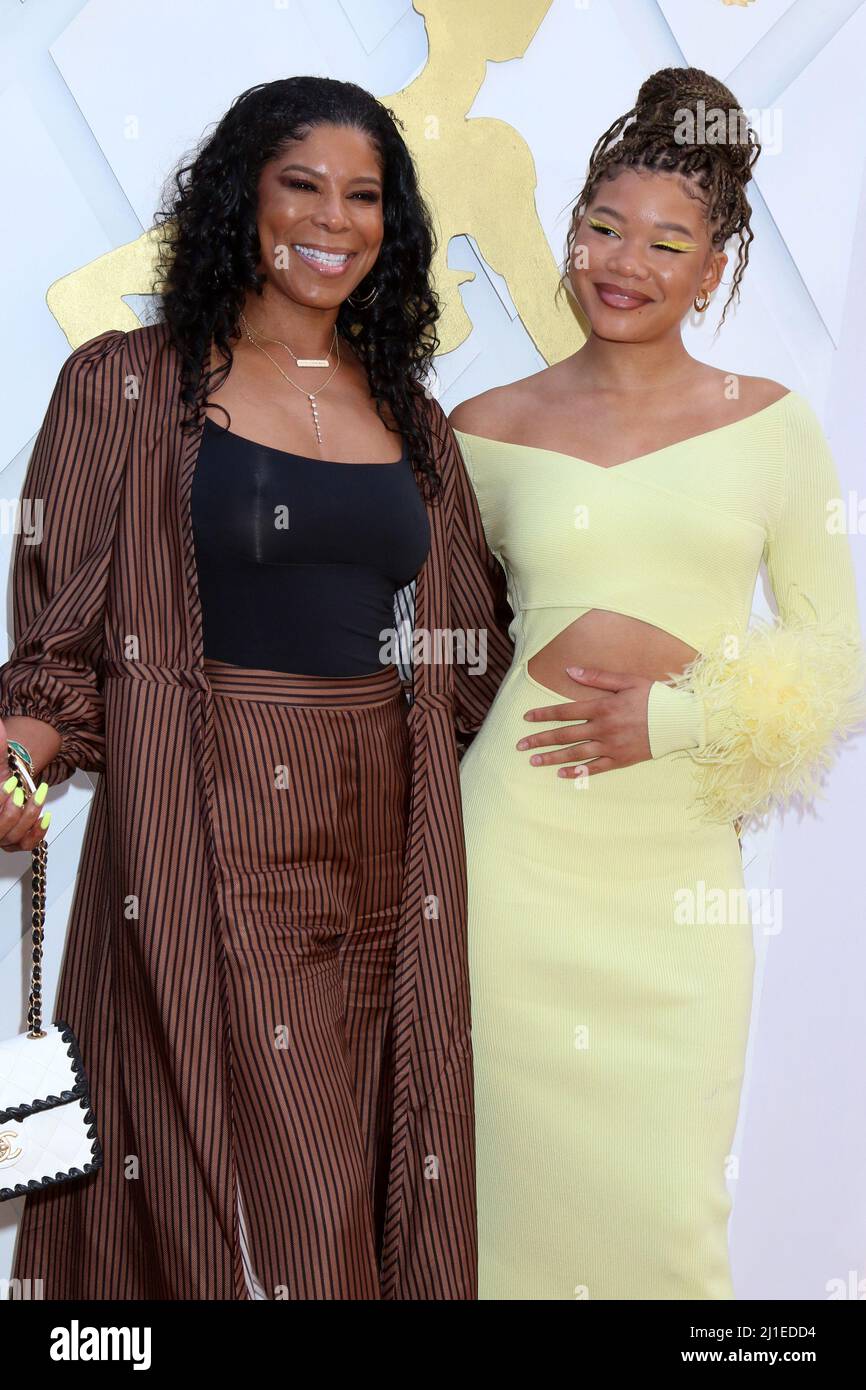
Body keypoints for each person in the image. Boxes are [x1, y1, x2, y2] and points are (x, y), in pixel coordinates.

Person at [0, 76, 513, 1300]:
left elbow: (462, 652)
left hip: (382, 835)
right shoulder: (123, 384)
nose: (333, 219)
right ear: (243, 197)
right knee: (235, 1189)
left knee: (349, 1171)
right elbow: (59, 640)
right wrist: (19, 752)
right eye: (302, 185)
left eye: (364, 196)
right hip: (202, 814)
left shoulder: (415, 422)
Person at [449, 66, 866, 1299]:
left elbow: (837, 653)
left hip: (672, 874)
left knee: (664, 1218)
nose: (623, 261)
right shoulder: (479, 426)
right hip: (511, 862)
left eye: (666, 241)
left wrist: (675, 714)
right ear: (568, 231)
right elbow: (443, 655)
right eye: (600, 227)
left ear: (713, 265)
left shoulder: (774, 424)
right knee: (495, 1207)